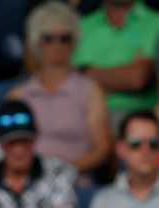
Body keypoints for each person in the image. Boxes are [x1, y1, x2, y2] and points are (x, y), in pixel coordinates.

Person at [11, 5, 111, 178]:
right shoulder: (19, 96)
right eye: (48, 38)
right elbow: (8, 146)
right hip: (29, 182)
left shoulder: (91, 91)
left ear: (74, 42)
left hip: (76, 181)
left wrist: (63, 172)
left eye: (64, 38)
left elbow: (102, 148)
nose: (57, 45)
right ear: (36, 42)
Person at [77, 0, 159, 114]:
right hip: (84, 114)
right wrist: (124, 75)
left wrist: (84, 72)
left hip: (140, 116)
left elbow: (137, 79)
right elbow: (67, 78)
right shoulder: (81, 26)